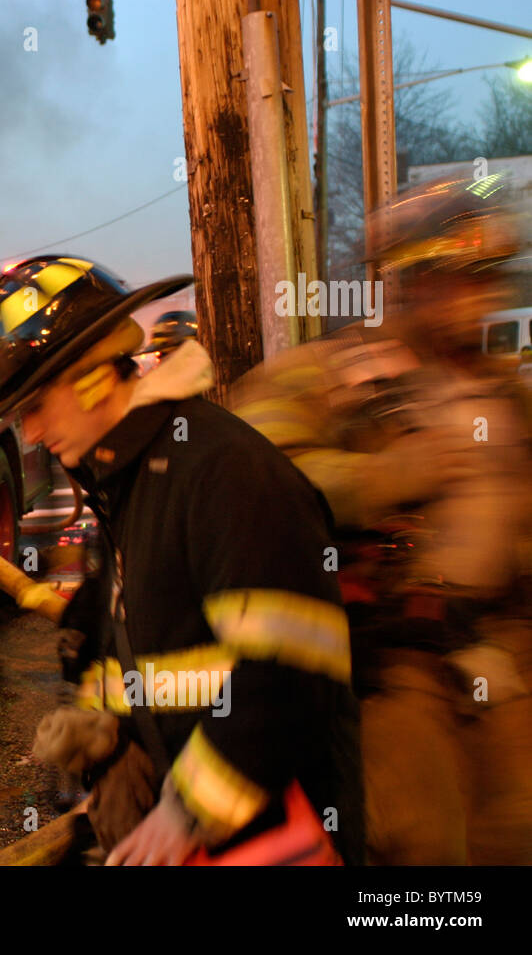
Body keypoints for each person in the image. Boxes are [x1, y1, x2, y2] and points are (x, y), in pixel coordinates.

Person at [0, 255, 363, 864]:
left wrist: (187, 811)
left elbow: (286, 671)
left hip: (275, 839)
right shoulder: (127, 483)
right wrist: (107, 733)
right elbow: (152, 647)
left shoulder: (221, 473)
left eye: (36, 405)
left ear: (91, 377)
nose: (29, 434)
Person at [230, 173, 532, 864]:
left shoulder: (505, 392)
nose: (477, 298)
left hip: (506, 650)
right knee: (426, 843)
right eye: (460, 279)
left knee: (516, 829)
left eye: (487, 280)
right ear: (412, 281)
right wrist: (387, 476)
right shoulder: (330, 375)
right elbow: (253, 476)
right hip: (397, 669)